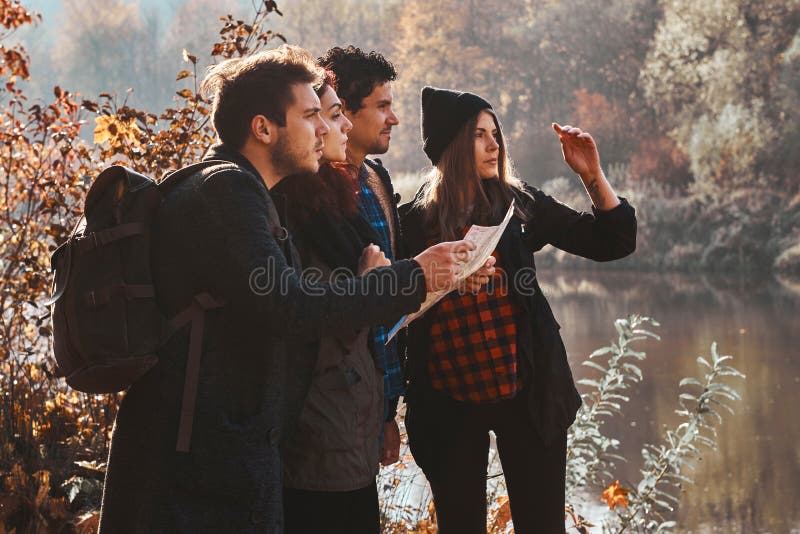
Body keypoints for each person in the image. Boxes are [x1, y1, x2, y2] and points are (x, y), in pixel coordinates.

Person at [97, 48, 475, 534]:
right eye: (311, 114)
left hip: (218, 462)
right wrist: (412, 276)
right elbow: (289, 305)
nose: (324, 129)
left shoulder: (254, 195)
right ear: (263, 128)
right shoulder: (226, 192)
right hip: (192, 474)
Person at [399, 86, 637, 533]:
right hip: (448, 405)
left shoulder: (518, 204)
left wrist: (592, 176)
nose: (494, 145)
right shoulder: (412, 223)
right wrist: (444, 282)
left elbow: (613, 242)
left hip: (528, 396)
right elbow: (388, 313)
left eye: (496, 133)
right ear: (451, 146)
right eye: (479, 135)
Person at [273, 72, 389, 533]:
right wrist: (369, 288)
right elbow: (305, 325)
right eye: (333, 114)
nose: (337, 128)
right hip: (317, 446)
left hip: (348, 435)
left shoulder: (336, 207)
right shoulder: (296, 215)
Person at [317, 46, 407, 466]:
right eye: (383, 106)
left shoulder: (377, 179)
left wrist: (388, 410)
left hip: (376, 399)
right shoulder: (313, 195)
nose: (394, 118)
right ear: (346, 113)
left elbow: (386, 310)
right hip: (332, 408)